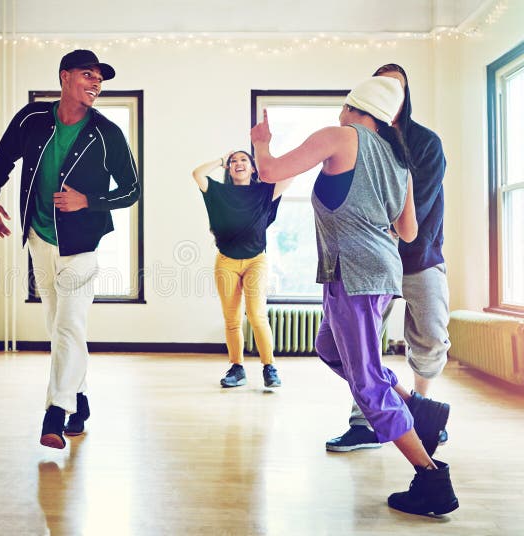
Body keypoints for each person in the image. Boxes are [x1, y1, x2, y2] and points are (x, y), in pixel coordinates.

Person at [251, 76, 458, 515]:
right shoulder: (397, 159)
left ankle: (430, 479)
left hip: (356, 279)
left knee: (365, 382)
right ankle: (418, 407)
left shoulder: (339, 137)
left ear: (352, 107)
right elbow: (409, 231)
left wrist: (261, 142)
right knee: (328, 347)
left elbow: (269, 172)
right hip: (378, 274)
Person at [0, 50, 140, 449]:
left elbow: (133, 189)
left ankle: (56, 411)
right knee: (59, 327)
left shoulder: (107, 133)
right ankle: (81, 401)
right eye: (88, 75)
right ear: (65, 77)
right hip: (38, 237)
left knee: (68, 326)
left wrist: (90, 201)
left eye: (100, 79)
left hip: (82, 245)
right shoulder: (32, 119)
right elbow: (3, 159)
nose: (96, 84)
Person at [326, 63, 451, 453]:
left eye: (395, 87)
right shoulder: (359, 141)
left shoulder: (424, 143)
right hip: (372, 263)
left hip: (420, 257)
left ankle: (420, 409)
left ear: (405, 95)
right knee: (357, 345)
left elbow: (411, 210)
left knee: (430, 336)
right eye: (380, 86)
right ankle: (365, 421)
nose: (387, 94)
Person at [191, 151, 291, 388]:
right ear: (228, 167)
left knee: (257, 315)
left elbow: (289, 175)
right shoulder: (217, 191)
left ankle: (270, 367)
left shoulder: (264, 191)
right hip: (226, 261)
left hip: (256, 260)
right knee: (232, 319)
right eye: (234, 161)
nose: (238, 163)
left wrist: (266, 162)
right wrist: (219, 160)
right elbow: (197, 174)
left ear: (253, 168)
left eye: (244, 160)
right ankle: (237, 369)